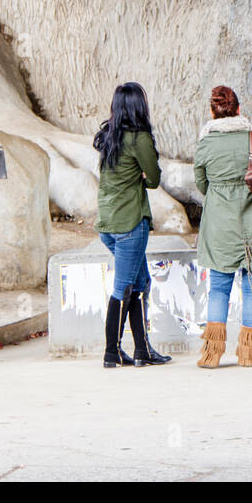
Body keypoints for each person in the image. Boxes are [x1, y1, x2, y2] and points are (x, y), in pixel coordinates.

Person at [194, 86, 252, 369]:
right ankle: (249, 354)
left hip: (221, 227)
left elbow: (201, 185)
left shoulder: (205, 145)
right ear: (238, 109)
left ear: (213, 111)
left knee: (219, 289)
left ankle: (211, 354)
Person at [94, 81, 171, 368]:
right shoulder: (139, 138)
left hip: (108, 225)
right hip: (130, 223)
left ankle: (142, 350)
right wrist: (140, 173)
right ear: (140, 106)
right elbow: (153, 179)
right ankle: (111, 353)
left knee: (140, 283)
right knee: (123, 288)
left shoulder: (107, 137)